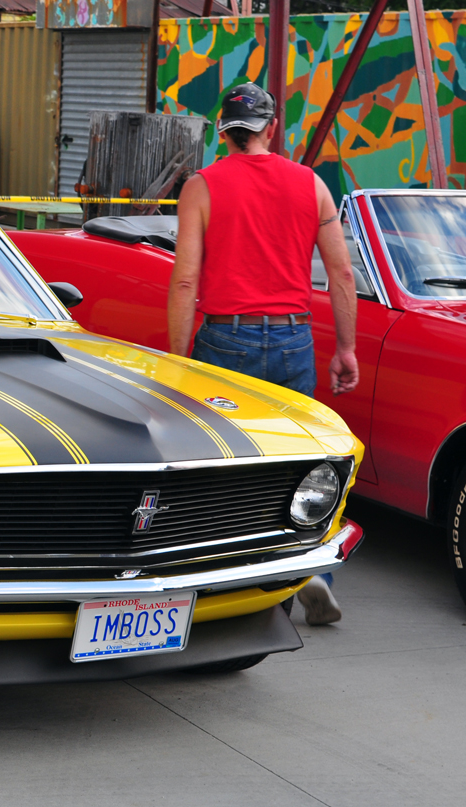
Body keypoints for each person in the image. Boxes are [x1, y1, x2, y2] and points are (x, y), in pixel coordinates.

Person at [167, 82, 359, 626]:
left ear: (223, 131)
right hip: (296, 337)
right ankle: (311, 570)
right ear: (272, 127)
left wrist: (178, 362)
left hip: (226, 338)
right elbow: (341, 273)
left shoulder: (201, 187)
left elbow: (185, 282)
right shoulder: (312, 186)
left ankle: (229, 580)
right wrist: (345, 348)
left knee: (221, 463)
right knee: (299, 461)